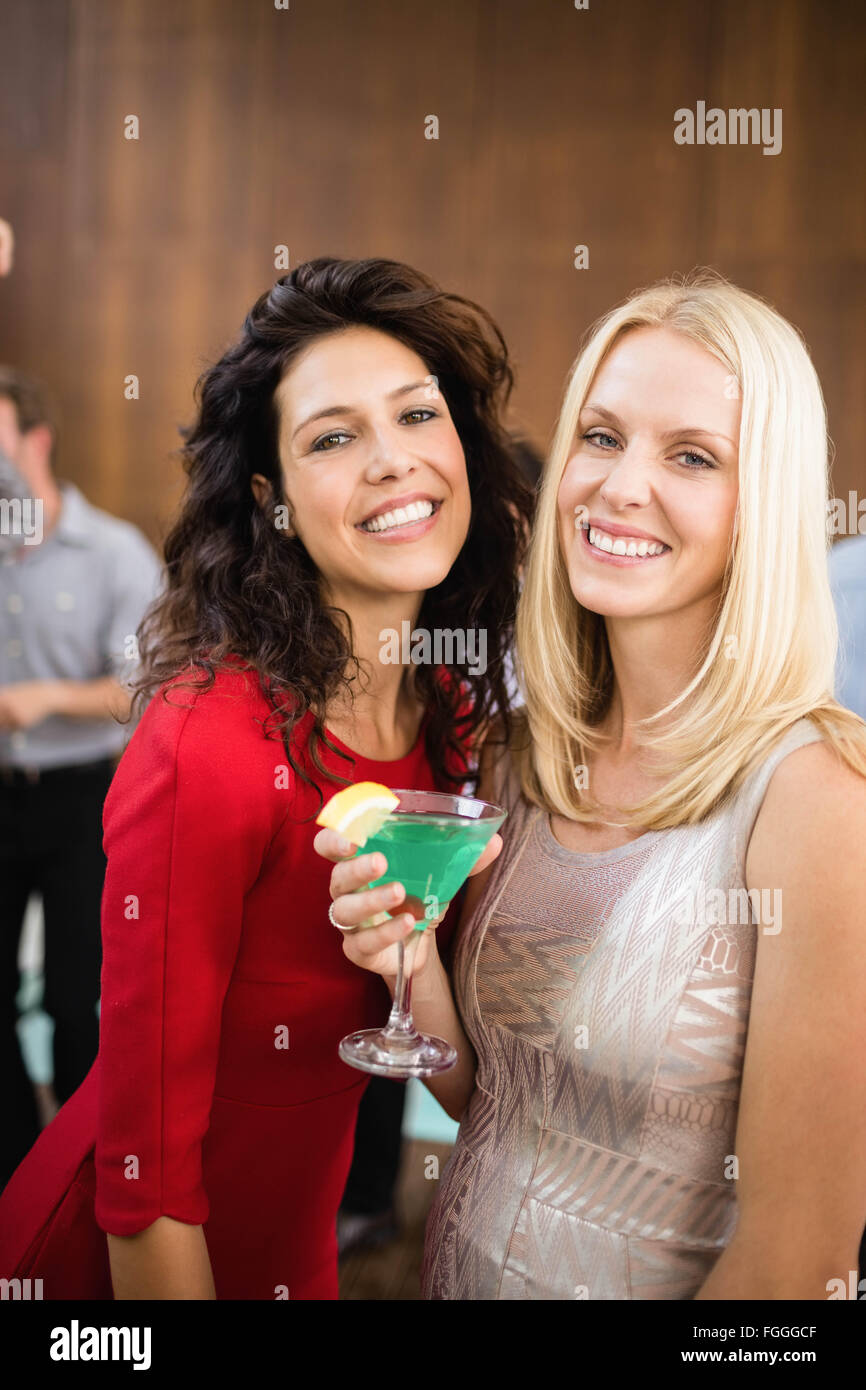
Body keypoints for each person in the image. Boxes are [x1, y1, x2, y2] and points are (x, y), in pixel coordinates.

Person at [320, 271, 866, 1299]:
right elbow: (492, 1097)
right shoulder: (514, 757)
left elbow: (799, 1261)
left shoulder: (818, 802)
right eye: (601, 436)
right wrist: (410, 963)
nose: (618, 486)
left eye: (691, 456)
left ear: (768, 502)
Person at [0, 257, 532, 1299]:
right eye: (332, 437)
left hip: (298, 1250)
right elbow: (143, 1171)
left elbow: (460, 1076)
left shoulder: (451, 721)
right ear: (270, 497)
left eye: (416, 416)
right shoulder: (207, 738)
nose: (391, 461)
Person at [0, 368, 162, 1190]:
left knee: (75, 1001)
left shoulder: (115, 553)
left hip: (82, 804)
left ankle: (77, 1180)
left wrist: (38, 700)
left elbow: (143, 691)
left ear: (37, 442)